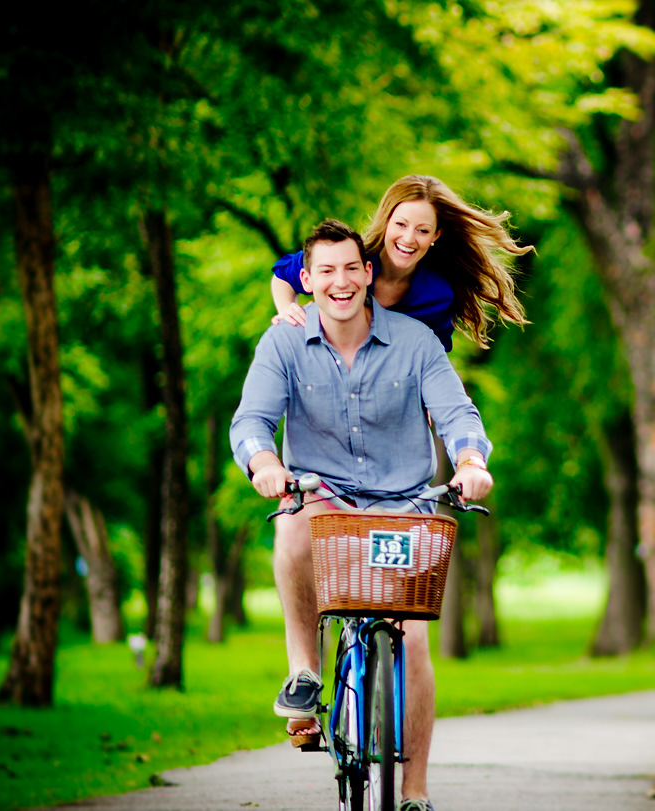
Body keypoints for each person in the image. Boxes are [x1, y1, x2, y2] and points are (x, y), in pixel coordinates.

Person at [232, 219, 494, 811]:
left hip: (404, 505)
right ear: (307, 279)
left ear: (368, 273)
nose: (341, 281)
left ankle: (416, 791)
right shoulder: (282, 343)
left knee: (416, 644)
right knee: (292, 519)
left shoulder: (416, 342)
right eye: (326, 270)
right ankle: (303, 673)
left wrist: (471, 460)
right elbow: (250, 420)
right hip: (323, 495)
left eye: (352, 268)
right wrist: (265, 463)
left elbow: (457, 414)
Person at [269, 174, 530, 351]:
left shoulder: (438, 295)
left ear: (436, 236)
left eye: (422, 230)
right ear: (386, 221)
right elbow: (282, 276)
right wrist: (286, 308)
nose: (408, 238)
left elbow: (432, 353)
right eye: (401, 224)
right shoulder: (347, 260)